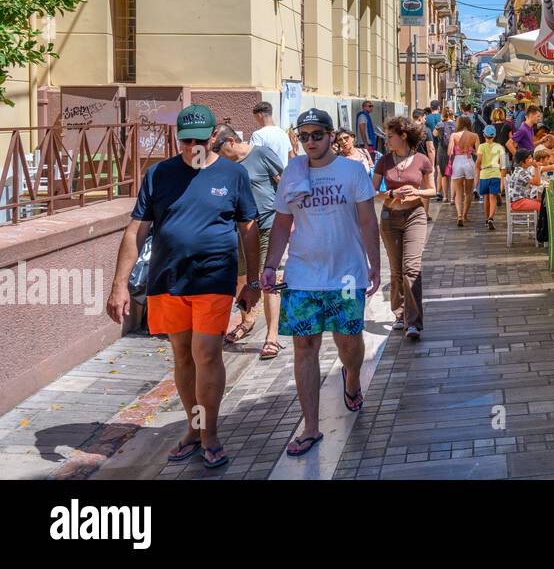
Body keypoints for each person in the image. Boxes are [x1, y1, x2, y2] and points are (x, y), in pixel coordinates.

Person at [106, 105, 259, 470]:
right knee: (182, 356)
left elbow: (248, 228)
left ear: (213, 137)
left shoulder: (233, 174)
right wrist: (119, 286)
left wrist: (253, 281)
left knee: (206, 353)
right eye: (186, 140)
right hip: (168, 280)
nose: (193, 147)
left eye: (199, 140)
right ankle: (194, 428)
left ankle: (209, 434)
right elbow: (136, 230)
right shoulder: (158, 174)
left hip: (213, 278)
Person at [263, 108, 381, 457]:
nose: (311, 142)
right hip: (303, 276)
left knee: (348, 342)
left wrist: (374, 264)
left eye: (317, 134)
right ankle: (311, 426)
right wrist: (271, 265)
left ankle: (352, 377)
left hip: (346, 274)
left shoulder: (351, 171)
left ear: (332, 136)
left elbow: (367, 222)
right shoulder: (292, 174)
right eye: (304, 136)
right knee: (305, 349)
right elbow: (282, 224)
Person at [212, 124, 286, 360]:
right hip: (239, 227)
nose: (215, 153)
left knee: (267, 278)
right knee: (241, 276)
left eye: (218, 148)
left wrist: (290, 217)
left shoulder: (261, 154)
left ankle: (272, 336)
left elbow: (283, 182)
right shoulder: (223, 166)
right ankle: (247, 320)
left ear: (232, 141)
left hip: (266, 224)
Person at [372, 116, 435, 338]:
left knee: (412, 268)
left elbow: (432, 190)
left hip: (415, 215)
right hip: (390, 218)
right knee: (397, 269)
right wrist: (390, 193)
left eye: (390, 137)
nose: (387, 141)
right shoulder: (383, 161)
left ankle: (414, 323)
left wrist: (416, 191)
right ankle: (399, 313)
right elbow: (373, 191)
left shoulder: (422, 160)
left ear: (403, 135)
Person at [448, 115, 479, 227]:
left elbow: (449, 152)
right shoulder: (474, 135)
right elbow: (478, 152)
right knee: (468, 191)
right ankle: (465, 215)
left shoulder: (454, 135)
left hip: (457, 161)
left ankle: (459, 215)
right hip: (469, 161)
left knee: (458, 192)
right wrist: (470, 150)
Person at [476, 124, 506, 230]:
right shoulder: (499, 147)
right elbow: (503, 165)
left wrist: (479, 169)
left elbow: (478, 162)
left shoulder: (481, 147)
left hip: (484, 174)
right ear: (494, 136)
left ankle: (486, 219)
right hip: (495, 174)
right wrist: (502, 181)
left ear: (484, 135)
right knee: (493, 198)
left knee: (486, 199)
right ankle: (491, 218)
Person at [251, 100, 292, 168]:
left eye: (255, 118)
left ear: (259, 115)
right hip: (285, 175)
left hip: (267, 177)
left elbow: (254, 158)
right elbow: (291, 156)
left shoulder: (258, 135)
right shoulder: (283, 133)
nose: (256, 121)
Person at [507, 148, 543, 213]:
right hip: (517, 202)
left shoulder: (522, 170)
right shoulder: (521, 172)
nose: (531, 160)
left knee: (543, 202)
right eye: (529, 158)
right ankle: (543, 223)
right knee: (542, 206)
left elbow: (535, 180)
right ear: (522, 161)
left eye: (531, 157)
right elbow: (537, 182)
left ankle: (541, 222)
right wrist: (536, 167)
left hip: (520, 199)